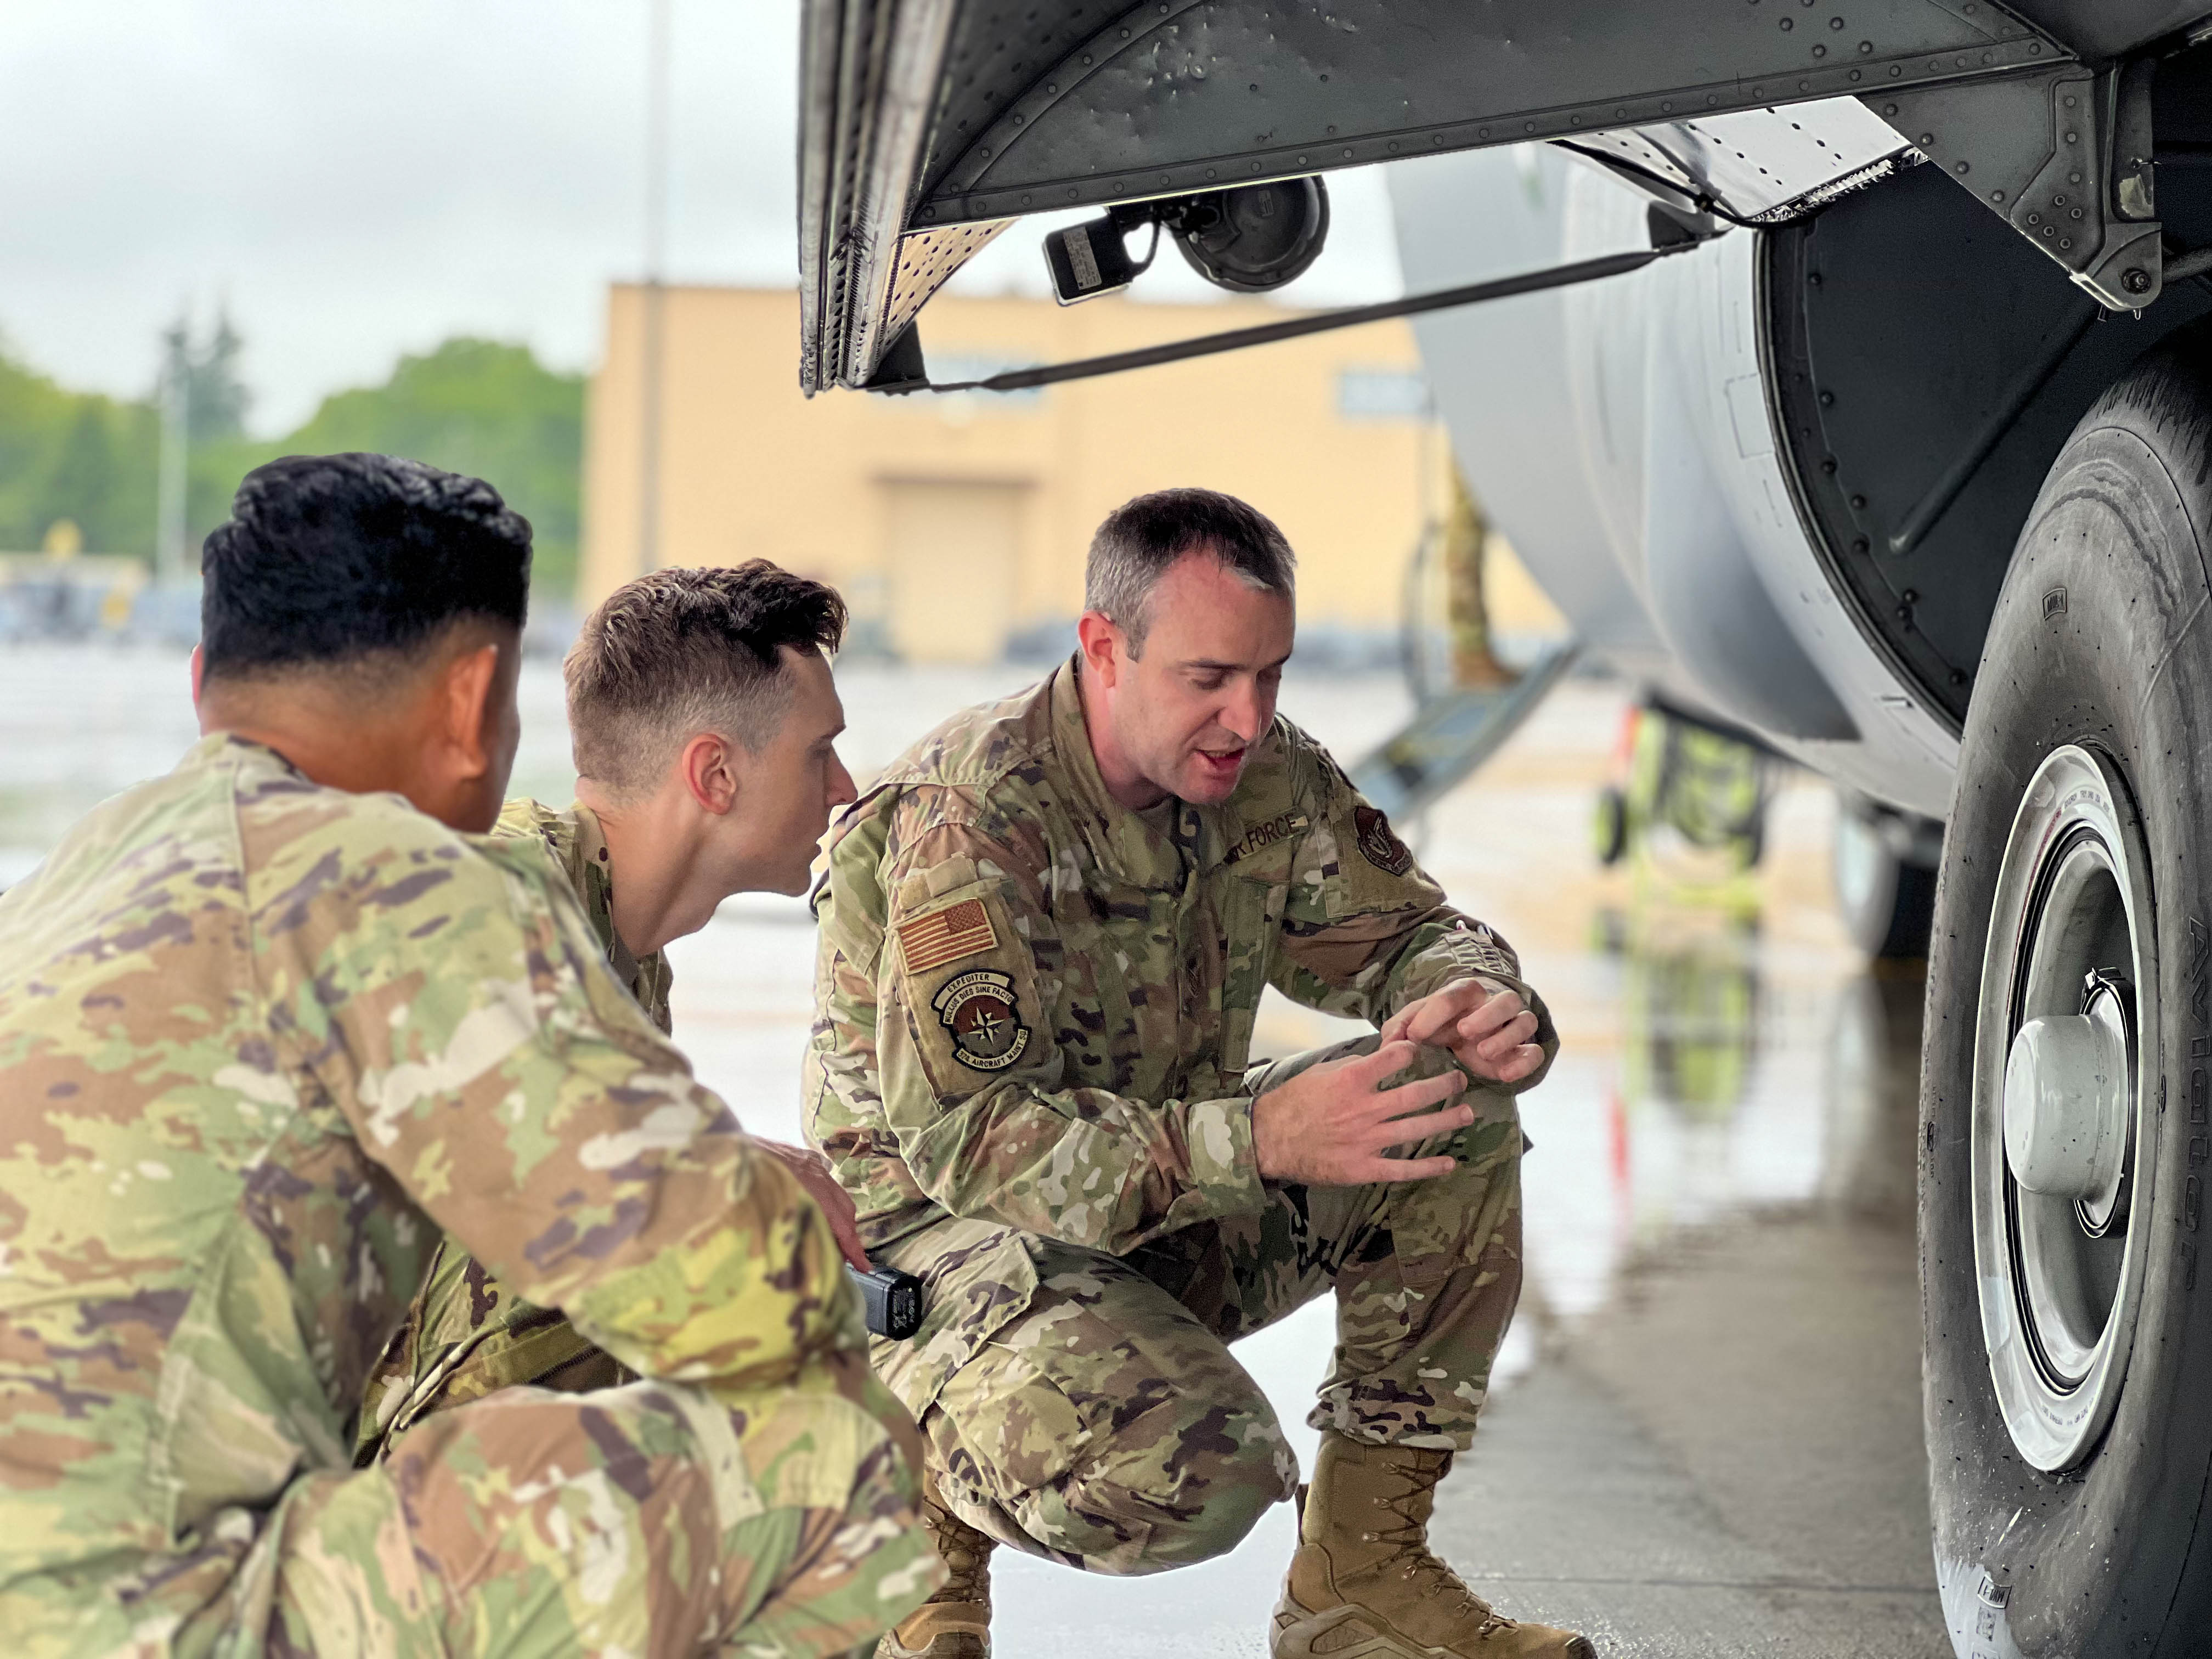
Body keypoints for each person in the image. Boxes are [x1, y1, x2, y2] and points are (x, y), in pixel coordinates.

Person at [0, 454, 936, 1656]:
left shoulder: (84, 873)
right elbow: (741, 1290)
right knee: (838, 1462)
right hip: (154, 1618)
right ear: (472, 701)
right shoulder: (404, 885)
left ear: (202, 684)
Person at [805, 488, 1592, 1659]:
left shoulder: (1266, 776)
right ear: (1104, 649)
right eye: (1211, 678)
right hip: (939, 1252)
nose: (1247, 716)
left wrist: (1476, 996)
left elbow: (1410, 930)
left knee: (1449, 1108)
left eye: (1271, 677)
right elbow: (971, 1144)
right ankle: (914, 1517)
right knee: (1197, 1472)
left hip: (1149, 1206)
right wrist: (1264, 1136)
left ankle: (1361, 1579)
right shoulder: (972, 818)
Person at [358, 561, 872, 1457]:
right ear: (715, 774)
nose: (844, 790)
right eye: (817, 753)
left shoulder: (624, 953)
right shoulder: (501, 879)